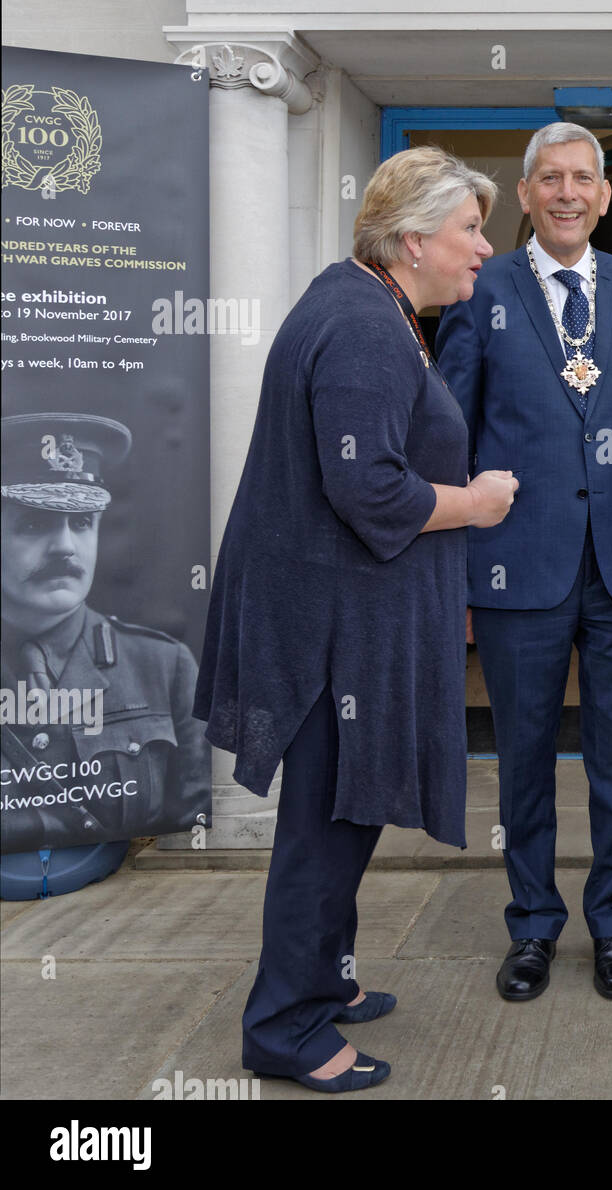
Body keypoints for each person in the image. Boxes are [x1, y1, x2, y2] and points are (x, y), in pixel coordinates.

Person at [194, 147, 516, 1092]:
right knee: (324, 829)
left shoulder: (368, 305)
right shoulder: (365, 325)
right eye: (468, 231)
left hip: (342, 616)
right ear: (413, 241)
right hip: (337, 633)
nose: (482, 250)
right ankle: (284, 1028)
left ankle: (323, 980)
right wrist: (476, 501)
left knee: (343, 814)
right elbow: (368, 486)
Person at [436, 122, 612, 1003]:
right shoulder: (476, 285)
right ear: (525, 195)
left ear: (607, 196)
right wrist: (454, 567)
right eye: (550, 179)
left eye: (584, 178)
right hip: (512, 567)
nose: (568, 192)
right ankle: (532, 925)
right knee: (524, 755)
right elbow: (450, 430)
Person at [1, 412, 208, 853]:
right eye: (35, 524)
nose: (65, 547)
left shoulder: (161, 666)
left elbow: (193, 826)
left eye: (81, 523)